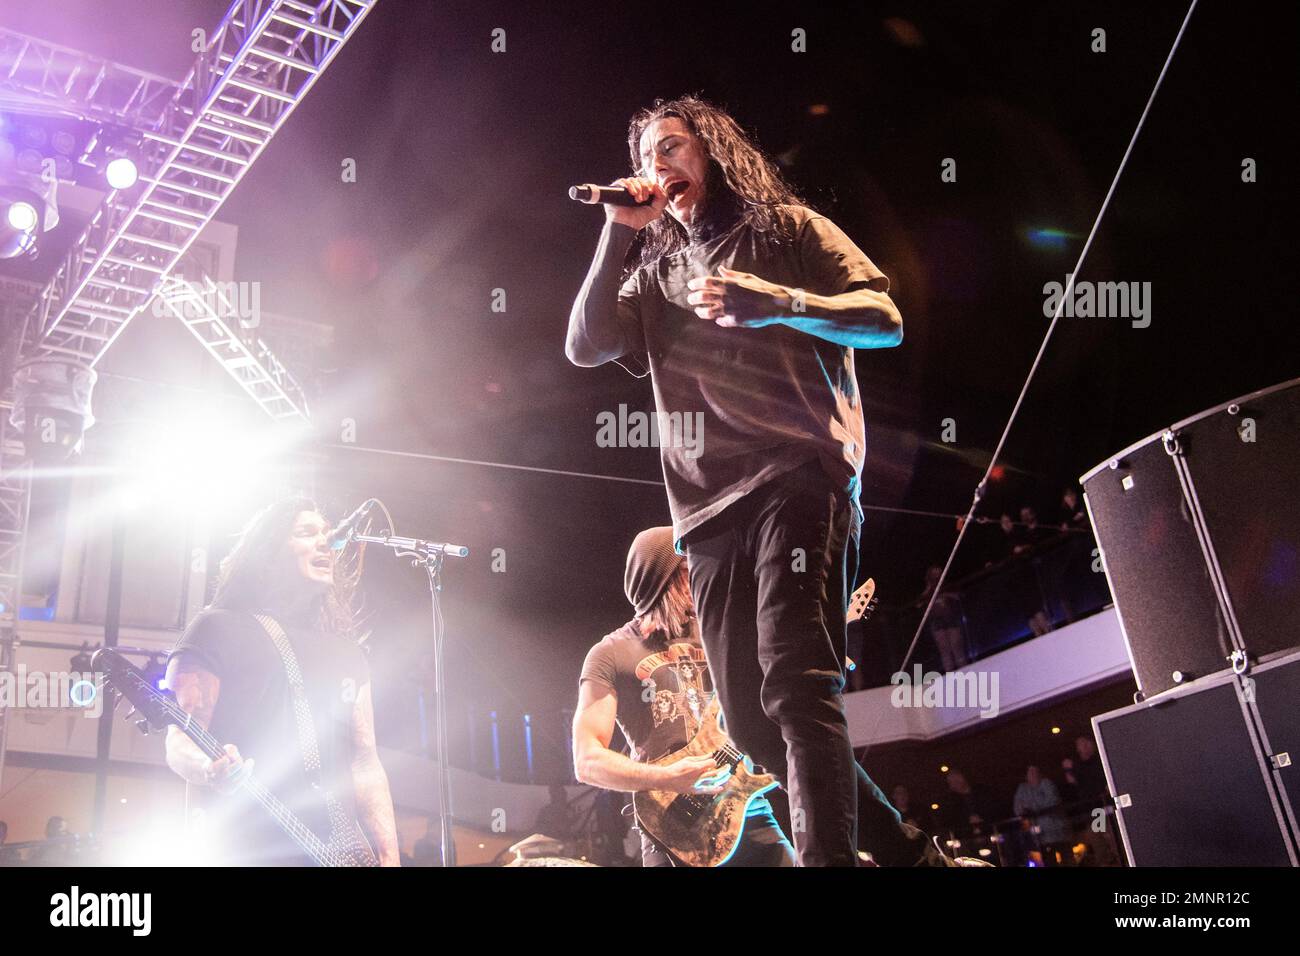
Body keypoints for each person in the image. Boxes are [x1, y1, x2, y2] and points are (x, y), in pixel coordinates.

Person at [566, 94, 903, 866]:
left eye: (674, 146)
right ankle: (912, 856)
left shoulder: (785, 229)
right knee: (751, 723)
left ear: (712, 151)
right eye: (649, 156)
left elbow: (883, 316)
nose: (660, 165)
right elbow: (584, 346)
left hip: (799, 473)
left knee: (794, 684)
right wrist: (615, 236)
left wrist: (780, 302)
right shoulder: (652, 272)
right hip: (707, 511)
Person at [164, 498, 400, 866]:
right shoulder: (217, 627)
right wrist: (209, 769)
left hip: (336, 851)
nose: (326, 542)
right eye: (307, 533)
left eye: (327, 534)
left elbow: (365, 760)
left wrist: (388, 856)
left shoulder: (347, 652)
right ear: (268, 552)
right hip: (246, 847)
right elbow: (180, 736)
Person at [573, 527, 795, 866]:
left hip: (748, 809)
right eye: (693, 567)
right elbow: (587, 761)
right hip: (673, 826)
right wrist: (667, 778)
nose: (707, 576)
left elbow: (765, 707)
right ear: (667, 578)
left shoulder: (721, 637)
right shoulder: (611, 653)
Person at [1013, 765, 1072, 866]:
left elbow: (1052, 801)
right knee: (1049, 862)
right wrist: (1030, 809)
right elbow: (1018, 809)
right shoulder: (1022, 789)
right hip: (1040, 837)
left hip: (1058, 831)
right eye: (1030, 773)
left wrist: (1031, 807)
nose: (1033, 775)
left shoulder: (1047, 784)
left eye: (1035, 772)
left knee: (1067, 861)